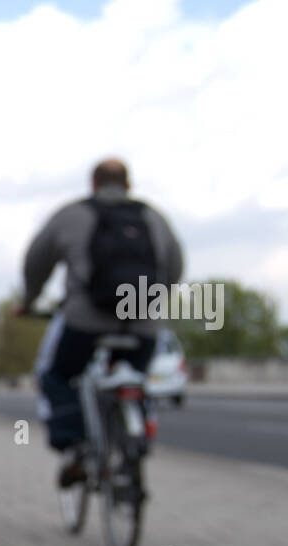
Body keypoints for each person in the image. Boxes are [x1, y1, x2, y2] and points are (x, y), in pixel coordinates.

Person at [16, 159, 183, 486]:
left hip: (85, 323)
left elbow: (36, 262)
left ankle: (75, 444)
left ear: (93, 184)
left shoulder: (73, 215)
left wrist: (28, 301)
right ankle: (136, 436)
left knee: (56, 375)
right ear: (128, 185)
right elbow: (174, 268)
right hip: (144, 324)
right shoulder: (153, 218)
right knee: (135, 376)